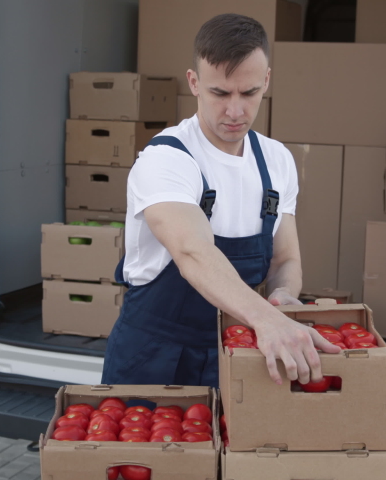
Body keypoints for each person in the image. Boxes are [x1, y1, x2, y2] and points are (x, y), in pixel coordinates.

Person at [101, 13, 340, 389]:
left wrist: (282, 295)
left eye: (249, 93)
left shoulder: (276, 161)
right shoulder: (167, 159)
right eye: (220, 93)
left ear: (266, 81)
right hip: (154, 354)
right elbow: (192, 251)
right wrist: (267, 319)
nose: (235, 111)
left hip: (240, 348)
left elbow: (285, 259)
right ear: (194, 83)